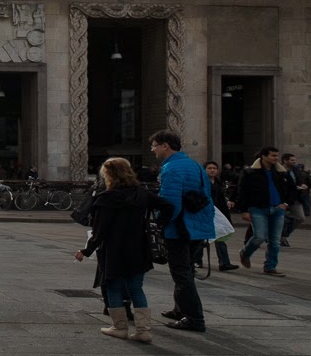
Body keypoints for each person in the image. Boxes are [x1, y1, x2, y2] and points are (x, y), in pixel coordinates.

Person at [74, 157, 155, 343]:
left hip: (114, 250)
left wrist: (86, 251)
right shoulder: (141, 193)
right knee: (136, 288)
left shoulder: (107, 198)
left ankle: (119, 328)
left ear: (109, 174)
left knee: (113, 287)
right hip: (138, 248)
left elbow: (100, 231)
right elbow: (167, 205)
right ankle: (144, 331)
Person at [149, 129, 213, 332]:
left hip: (180, 228)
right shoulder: (195, 165)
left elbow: (170, 204)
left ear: (165, 145)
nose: (153, 150)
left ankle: (194, 318)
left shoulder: (172, 168)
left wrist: (160, 223)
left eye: (154, 145)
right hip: (198, 226)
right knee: (187, 270)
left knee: (181, 273)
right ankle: (180, 309)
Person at [235, 146, 296, 276]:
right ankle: (245, 253)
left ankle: (270, 266)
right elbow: (242, 191)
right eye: (273, 156)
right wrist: (244, 210)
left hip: (278, 209)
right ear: (263, 156)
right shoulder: (250, 172)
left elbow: (292, 189)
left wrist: (286, 203)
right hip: (257, 208)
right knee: (259, 237)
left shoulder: (281, 171)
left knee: (275, 240)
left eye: (277, 156)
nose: (276, 158)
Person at [204, 161, 237, 271]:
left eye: (214, 168)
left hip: (218, 213)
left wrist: (226, 216)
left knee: (220, 237)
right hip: (205, 212)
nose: (212, 170)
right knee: (202, 240)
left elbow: (222, 201)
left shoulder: (218, 183)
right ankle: (196, 260)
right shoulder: (202, 183)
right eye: (209, 168)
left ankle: (224, 262)